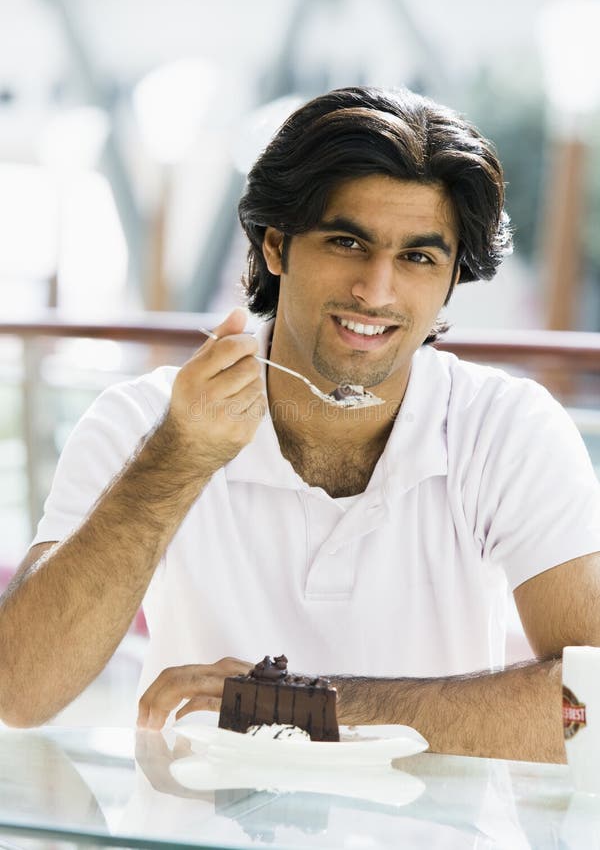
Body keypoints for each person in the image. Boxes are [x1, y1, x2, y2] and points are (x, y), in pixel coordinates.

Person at [1, 87, 599, 762]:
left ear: (452, 278)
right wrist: (178, 458)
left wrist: (299, 705)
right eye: (348, 242)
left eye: (418, 257)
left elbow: (591, 704)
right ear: (277, 246)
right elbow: (21, 691)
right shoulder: (146, 423)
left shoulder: (507, 430)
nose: (376, 290)